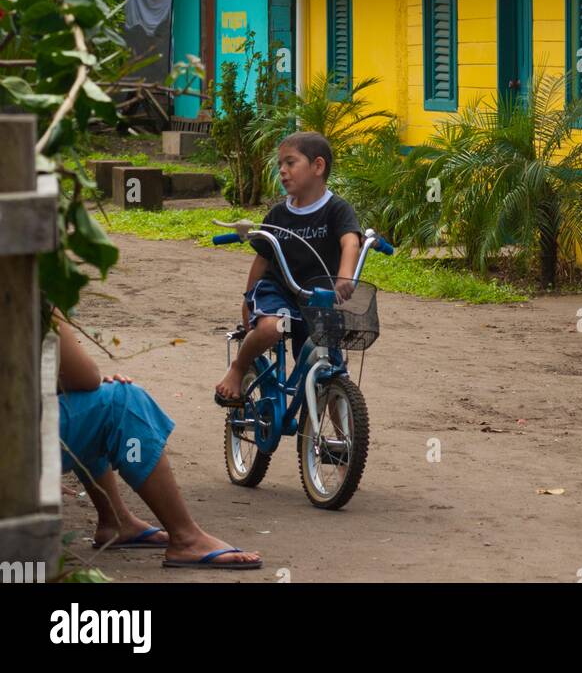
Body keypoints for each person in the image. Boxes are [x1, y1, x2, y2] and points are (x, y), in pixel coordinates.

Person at [53, 308, 262, 570]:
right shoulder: (21, 285)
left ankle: (116, 520)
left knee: (94, 406)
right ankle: (187, 539)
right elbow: (84, 377)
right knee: (122, 402)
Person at [215, 132, 362, 407]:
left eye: (290, 163)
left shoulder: (336, 209)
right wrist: (248, 298)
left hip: (317, 297)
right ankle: (238, 367)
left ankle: (344, 438)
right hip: (278, 291)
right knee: (271, 327)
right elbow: (262, 259)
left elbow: (350, 241)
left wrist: (345, 275)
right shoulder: (278, 215)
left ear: (318, 167)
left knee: (329, 363)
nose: (282, 170)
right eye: (280, 164)